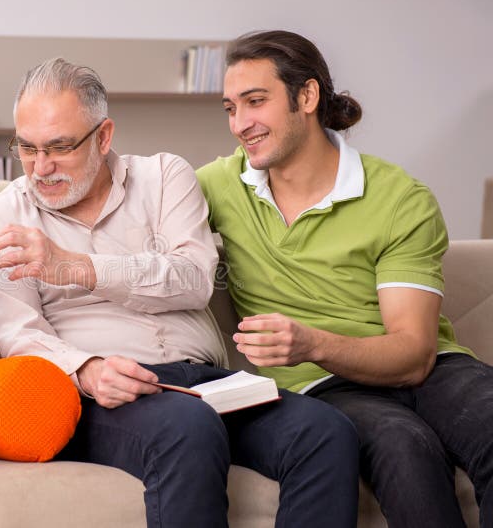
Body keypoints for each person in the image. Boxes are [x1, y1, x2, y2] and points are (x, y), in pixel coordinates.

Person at [0, 57, 359, 527]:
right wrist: (88, 370)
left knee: (326, 431)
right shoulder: (0, 219)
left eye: (59, 147)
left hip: (204, 382)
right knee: (186, 427)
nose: (41, 167)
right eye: (27, 149)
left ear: (103, 136)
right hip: (103, 396)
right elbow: (17, 333)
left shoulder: (163, 177)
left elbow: (194, 279)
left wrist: (74, 267)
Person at [197, 30, 493, 527]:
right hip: (324, 387)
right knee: (405, 448)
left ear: (307, 97)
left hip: (430, 367)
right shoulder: (218, 186)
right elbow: (129, 210)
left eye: (255, 102)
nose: (239, 124)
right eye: (230, 107)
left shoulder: (399, 198)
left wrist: (311, 340)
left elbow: (414, 355)